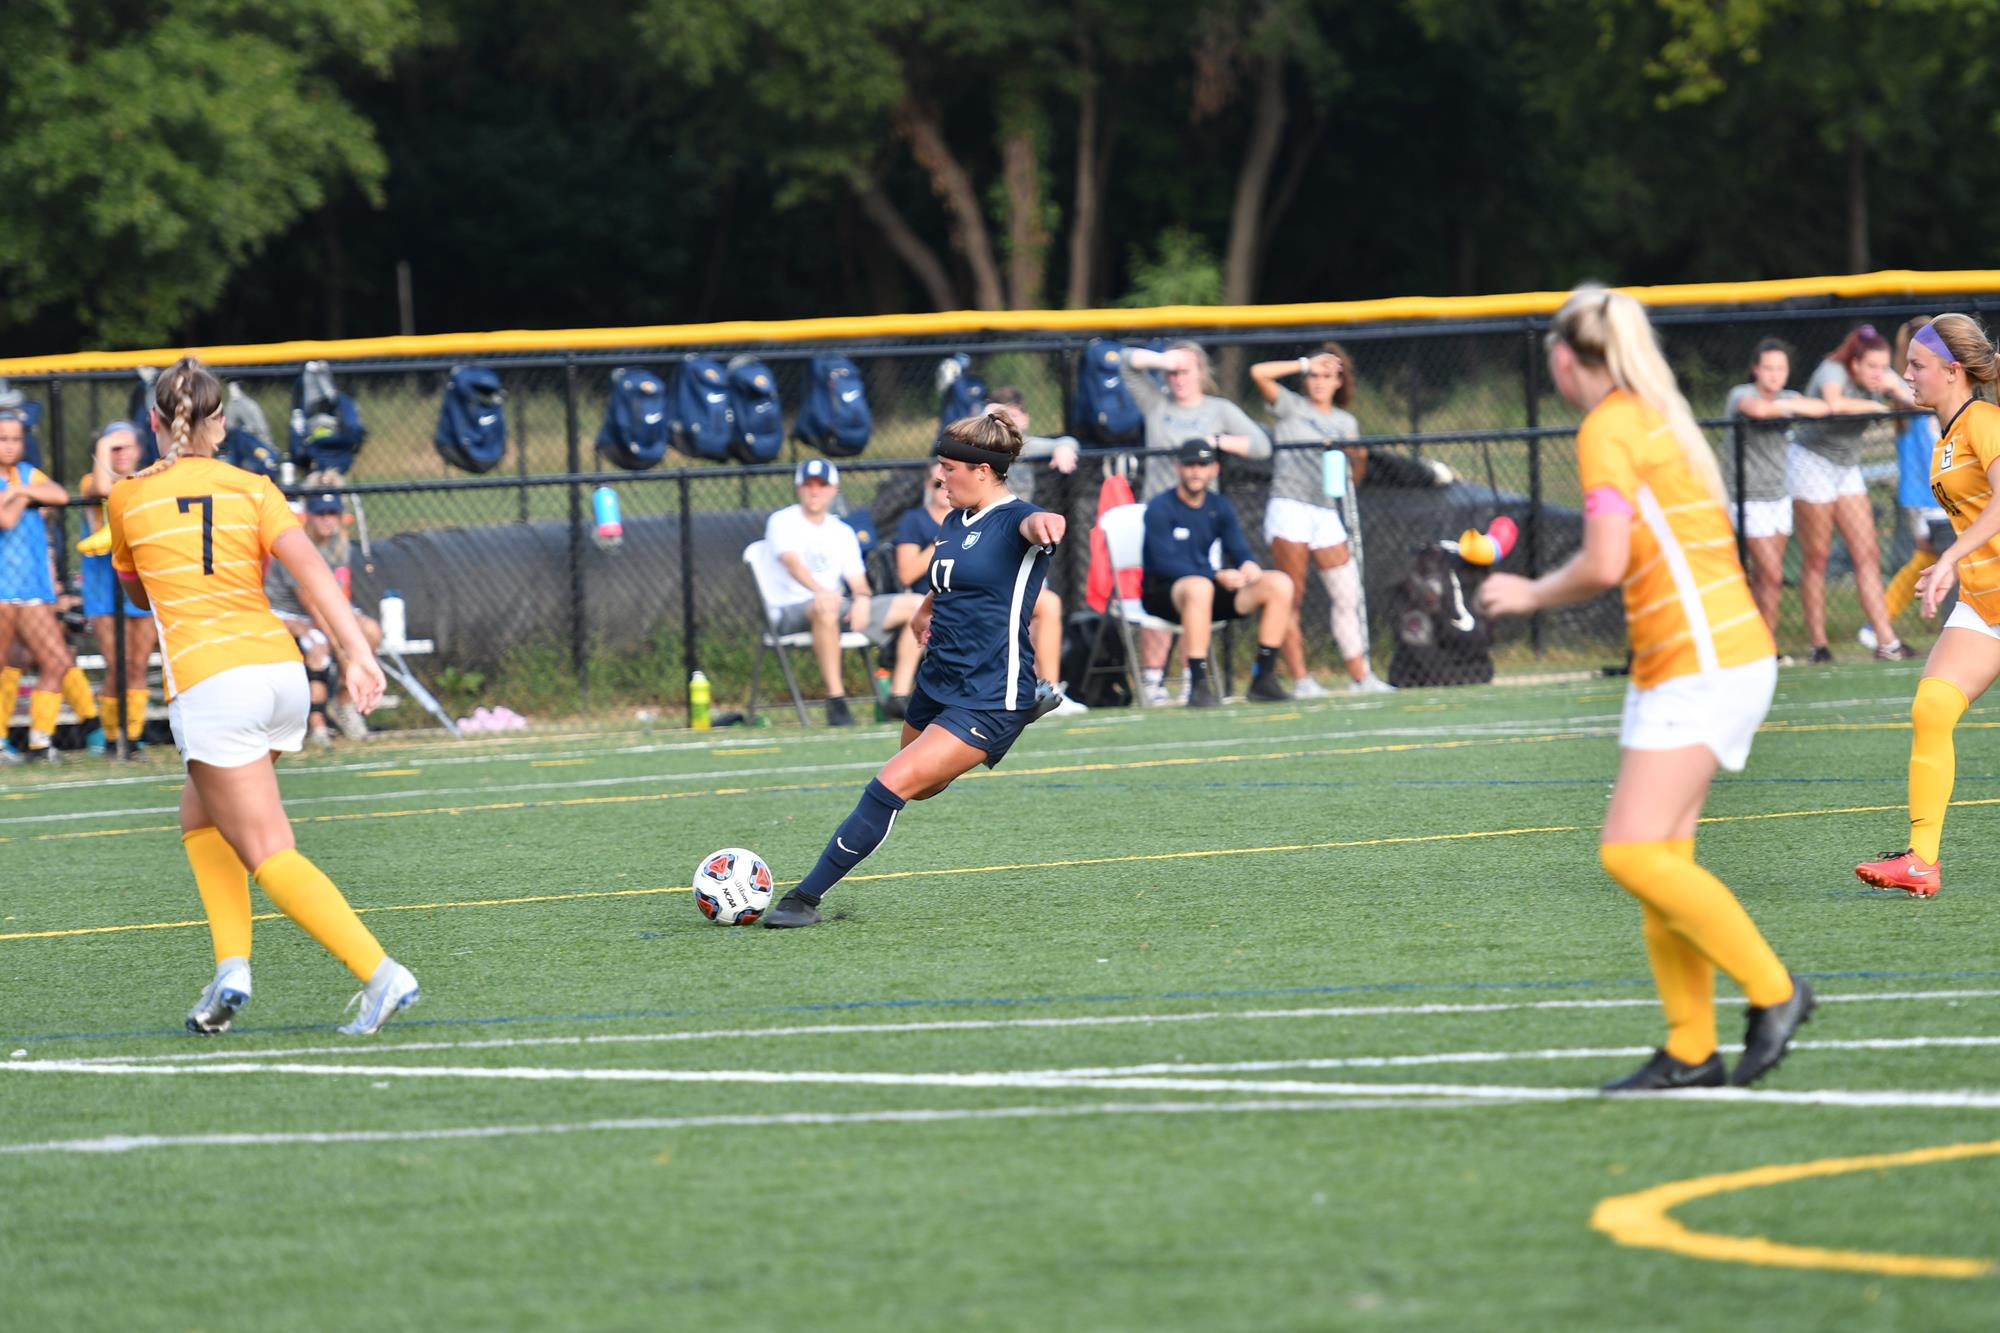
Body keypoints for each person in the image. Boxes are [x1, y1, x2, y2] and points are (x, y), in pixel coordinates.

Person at [1478, 284, 1811, 1091]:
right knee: (1664, 853)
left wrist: (1525, 593)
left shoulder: (1609, 426)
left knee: (1629, 851)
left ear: (1563, 358)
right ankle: (1691, 1048)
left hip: (1703, 660)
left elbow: (1604, 559)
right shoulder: (1653, 412)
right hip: (1695, 657)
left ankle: (1775, 990)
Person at [106, 356, 419, 1036]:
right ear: (220, 425)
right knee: (200, 814)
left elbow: (138, 594)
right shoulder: (253, 486)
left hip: (212, 682)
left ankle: (381, 972)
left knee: (268, 849)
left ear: (155, 422)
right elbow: (310, 573)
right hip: (279, 675)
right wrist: (356, 651)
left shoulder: (126, 496)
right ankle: (230, 970)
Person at [763, 412, 1068, 928]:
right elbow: (953, 578)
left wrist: (1045, 524)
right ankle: (1021, 710)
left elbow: (1041, 525)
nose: (939, 478)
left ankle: (802, 900)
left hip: (990, 693)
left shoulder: (1018, 520)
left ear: (983, 471)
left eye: (949, 468)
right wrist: (927, 608)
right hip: (938, 678)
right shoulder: (953, 521)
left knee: (889, 785)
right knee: (922, 786)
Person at [1855, 315, 2000, 898]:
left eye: (1916, 365)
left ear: (1952, 371)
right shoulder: (1947, 434)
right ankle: (1922, 860)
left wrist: (1947, 558)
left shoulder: (1983, 422)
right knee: (1932, 708)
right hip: (1986, 600)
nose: (1906, 374)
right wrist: (1954, 568)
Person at [1120, 341, 1272, 701]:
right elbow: (1125, 363)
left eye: (1185, 370)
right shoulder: (1157, 403)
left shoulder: (1218, 409)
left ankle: (1194, 674)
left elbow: (1261, 445)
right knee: (1162, 587)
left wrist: (1218, 441)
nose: (1177, 378)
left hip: (1201, 518)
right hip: (1160, 515)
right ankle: (1154, 680)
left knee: (1199, 589)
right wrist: (1163, 359)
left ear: (1201, 373)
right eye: (1171, 372)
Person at [1249, 344, 1393, 695]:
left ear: (1340, 381)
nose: (1319, 382)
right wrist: (1303, 362)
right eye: (1314, 375)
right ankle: (1302, 679)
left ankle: (1361, 676)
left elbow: (1349, 482)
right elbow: (1258, 373)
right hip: (1290, 506)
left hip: (1325, 510)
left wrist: (1356, 458)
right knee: (1291, 595)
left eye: (1327, 376)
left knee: (1347, 592)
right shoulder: (1290, 408)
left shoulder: (1346, 422)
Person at [891, 467, 1085, 720]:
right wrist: (946, 545)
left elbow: (1030, 522)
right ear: (927, 488)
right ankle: (901, 696)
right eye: (935, 483)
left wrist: (1046, 522)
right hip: (939, 595)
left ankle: (1048, 690)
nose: (942, 484)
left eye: (949, 473)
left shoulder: (980, 515)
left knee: (1048, 602)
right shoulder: (920, 520)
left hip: (986, 593)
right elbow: (906, 574)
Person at [757, 458, 923, 726]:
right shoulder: (782, 521)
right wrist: (820, 591)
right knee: (826, 606)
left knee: (919, 605)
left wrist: (861, 598)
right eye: (808, 484)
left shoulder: (842, 531)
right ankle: (836, 700)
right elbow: (791, 562)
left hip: (837, 605)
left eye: (821, 485)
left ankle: (899, 696)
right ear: (798, 488)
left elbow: (857, 579)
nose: (815, 491)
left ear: (833, 489)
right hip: (790, 609)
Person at [1139, 439, 1294, 707]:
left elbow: (1240, 550)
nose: (1196, 471)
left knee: (1279, 583)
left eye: (1203, 465)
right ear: (1178, 468)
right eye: (1190, 465)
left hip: (1207, 590)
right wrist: (1215, 575)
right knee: (1200, 587)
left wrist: (1249, 566)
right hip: (1163, 594)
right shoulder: (1160, 507)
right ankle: (1198, 684)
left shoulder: (1219, 506)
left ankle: (1263, 678)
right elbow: (1164, 563)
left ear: (1215, 469)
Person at [1793, 324, 1912, 662]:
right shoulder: (1833, 369)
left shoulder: (1881, 378)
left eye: (1883, 367)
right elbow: (1832, 403)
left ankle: (1886, 641)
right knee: (1817, 555)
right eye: (1871, 367)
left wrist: (1897, 390)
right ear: (1855, 364)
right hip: (1811, 462)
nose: (1878, 374)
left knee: (1868, 553)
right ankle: (1818, 645)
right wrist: (1877, 408)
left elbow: (1915, 401)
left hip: (1846, 466)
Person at [0, 410, 105, 763]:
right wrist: (25, 497)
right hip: (2, 587)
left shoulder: (24, 474)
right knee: (2, 663)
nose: (11, 446)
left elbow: (59, 494)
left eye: (16, 439)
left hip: (32, 590)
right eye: (3, 439)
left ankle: (40, 741)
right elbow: (6, 518)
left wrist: (20, 490)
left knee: (57, 660)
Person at [1724, 339, 1828, 642]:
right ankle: (1754, 641)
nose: (1774, 375)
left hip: (1778, 497)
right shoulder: (1741, 394)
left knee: (1766, 579)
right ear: (1756, 369)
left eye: (1780, 368)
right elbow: (1757, 410)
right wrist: (1787, 408)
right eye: (1768, 368)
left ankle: (1764, 644)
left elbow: (1822, 407)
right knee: (1770, 573)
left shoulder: (1787, 397)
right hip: (1747, 498)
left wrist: (1784, 405)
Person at [267, 477, 380, 748]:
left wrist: (349, 638)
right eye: (321, 514)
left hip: (323, 609)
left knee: (371, 631)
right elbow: (313, 606)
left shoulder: (339, 543)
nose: (328, 520)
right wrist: (344, 655)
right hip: (288, 612)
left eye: (333, 514)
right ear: (310, 515)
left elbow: (336, 596)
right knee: (318, 646)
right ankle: (316, 725)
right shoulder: (294, 542)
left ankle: (343, 702)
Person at [1868, 317, 1952, 648]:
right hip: (1928, 492)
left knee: (1927, 558)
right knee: (1947, 558)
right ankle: (1879, 625)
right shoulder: (1911, 386)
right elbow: (1898, 388)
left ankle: (1875, 625)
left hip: (1929, 490)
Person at [79, 420, 158, 755]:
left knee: (139, 664)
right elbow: (103, 489)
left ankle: (134, 737)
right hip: (102, 584)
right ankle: (112, 737)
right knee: (118, 664)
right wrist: (103, 448)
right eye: (114, 448)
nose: (121, 454)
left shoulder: (147, 480)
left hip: (138, 579)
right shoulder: (90, 481)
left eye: (126, 447)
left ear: (139, 450)